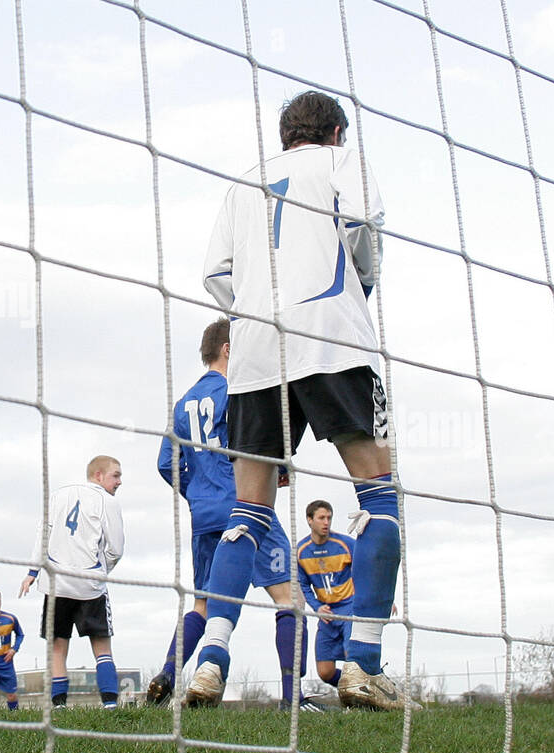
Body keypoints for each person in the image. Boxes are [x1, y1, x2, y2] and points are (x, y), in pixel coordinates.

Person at [189, 90, 413, 712]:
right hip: (334, 340)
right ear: (336, 132)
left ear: (285, 134)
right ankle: (363, 666)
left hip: (257, 352)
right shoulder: (343, 163)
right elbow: (366, 228)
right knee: (378, 493)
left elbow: (214, 273)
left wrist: (260, 311)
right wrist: (360, 283)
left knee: (249, 511)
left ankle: (210, 663)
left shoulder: (244, 182)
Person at [148, 319, 317, 712]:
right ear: (228, 349)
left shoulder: (183, 403)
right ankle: (293, 699)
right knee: (289, 596)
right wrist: (277, 474)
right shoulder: (238, 390)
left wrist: (199, 494)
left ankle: (168, 676)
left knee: (205, 604)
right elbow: (254, 441)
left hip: (204, 515)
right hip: (246, 504)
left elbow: (164, 464)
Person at [19, 456, 124, 709]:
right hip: (90, 585)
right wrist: (102, 570)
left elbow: (42, 533)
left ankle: (58, 706)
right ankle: (110, 705)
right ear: (98, 476)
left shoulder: (58, 495)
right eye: (116, 475)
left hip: (57, 584)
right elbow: (116, 548)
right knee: (102, 647)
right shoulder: (107, 501)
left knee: (57, 647)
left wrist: (32, 572)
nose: (120, 481)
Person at [295, 499, 355, 693]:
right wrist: (317, 607)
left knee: (353, 660)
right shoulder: (301, 551)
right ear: (309, 520)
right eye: (321, 518)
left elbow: (369, 571)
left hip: (350, 608)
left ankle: (358, 699)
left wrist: (381, 600)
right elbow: (302, 585)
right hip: (327, 614)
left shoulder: (346, 544)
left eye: (329, 518)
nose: (326, 522)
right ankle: (352, 689)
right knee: (325, 672)